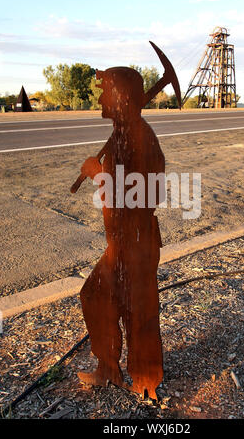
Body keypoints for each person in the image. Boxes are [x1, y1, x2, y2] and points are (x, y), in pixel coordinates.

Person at [73, 66, 165, 399]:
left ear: (121, 97)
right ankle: (109, 368)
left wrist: (99, 173)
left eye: (105, 91)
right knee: (98, 296)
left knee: (138, 309)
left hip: (136, 241)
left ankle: (146, 382)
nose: (99, 97)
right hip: (122, 241)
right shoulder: (124, 132)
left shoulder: (139, 137)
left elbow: (144, 195)